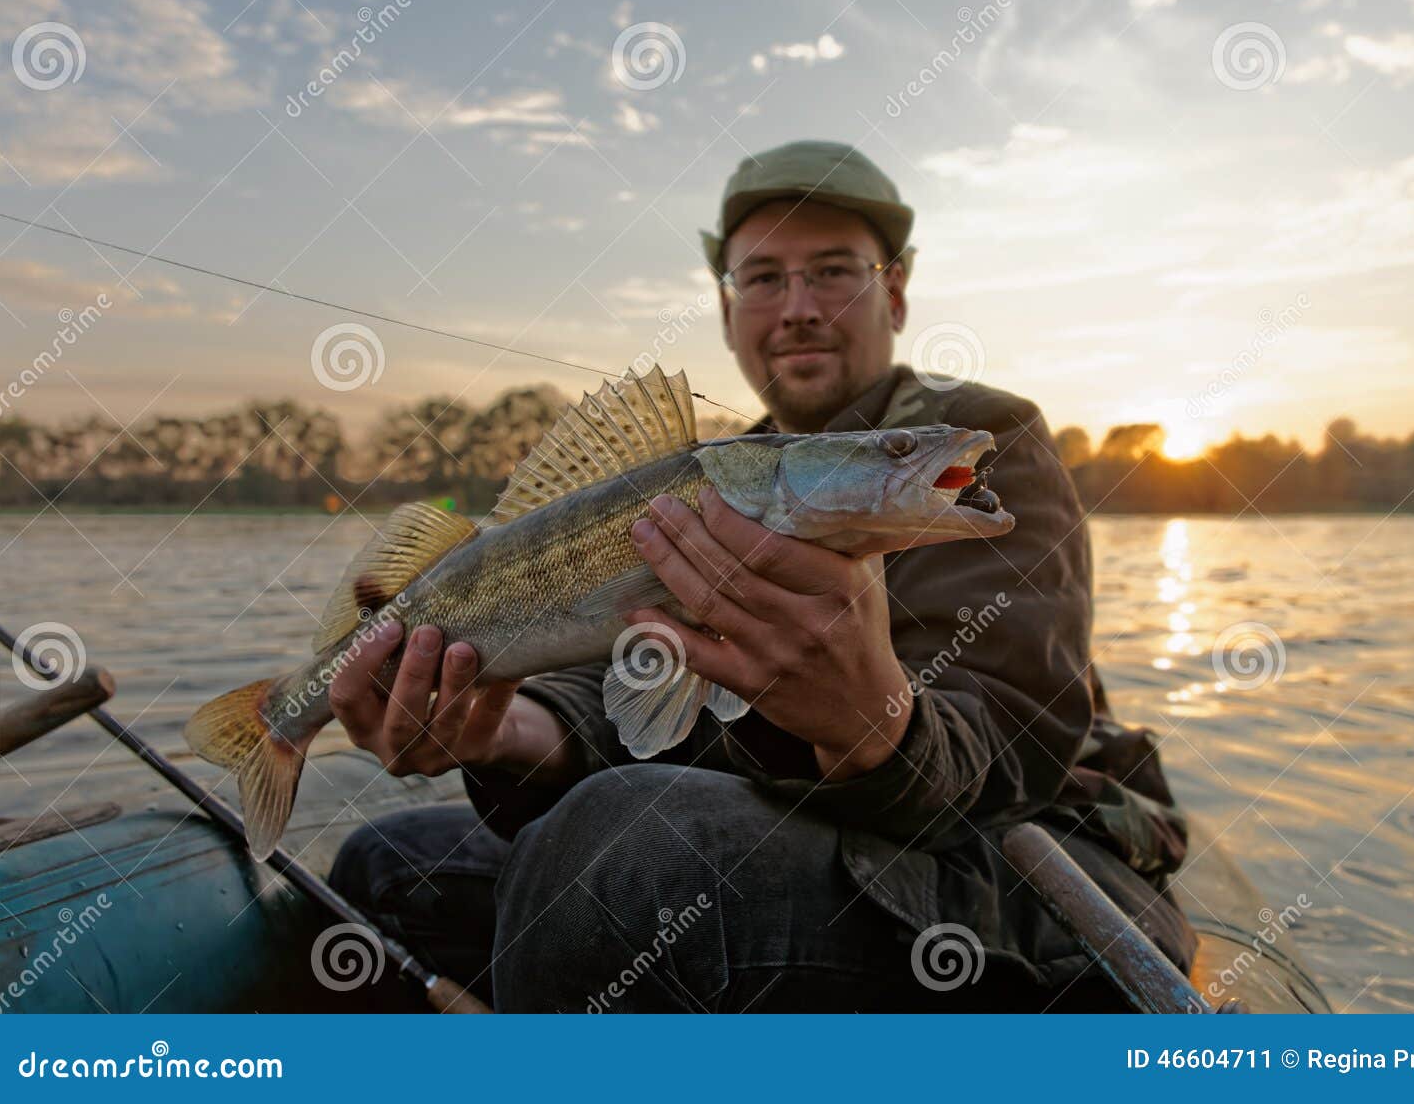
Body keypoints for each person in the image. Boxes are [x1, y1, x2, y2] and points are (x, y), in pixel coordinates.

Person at [329, 140, 1195, 1012]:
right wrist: (510, 730)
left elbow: (1002, 741)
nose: (798, 309)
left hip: (1018, 860)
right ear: (727, 307)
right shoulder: (714, 474)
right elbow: (628, 678)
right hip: (781, 829)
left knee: (624, 845)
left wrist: (876, 722)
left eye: (832, 272)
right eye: (764, 279)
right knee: (386, 865)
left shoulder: (974, 441)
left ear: (894, 291)